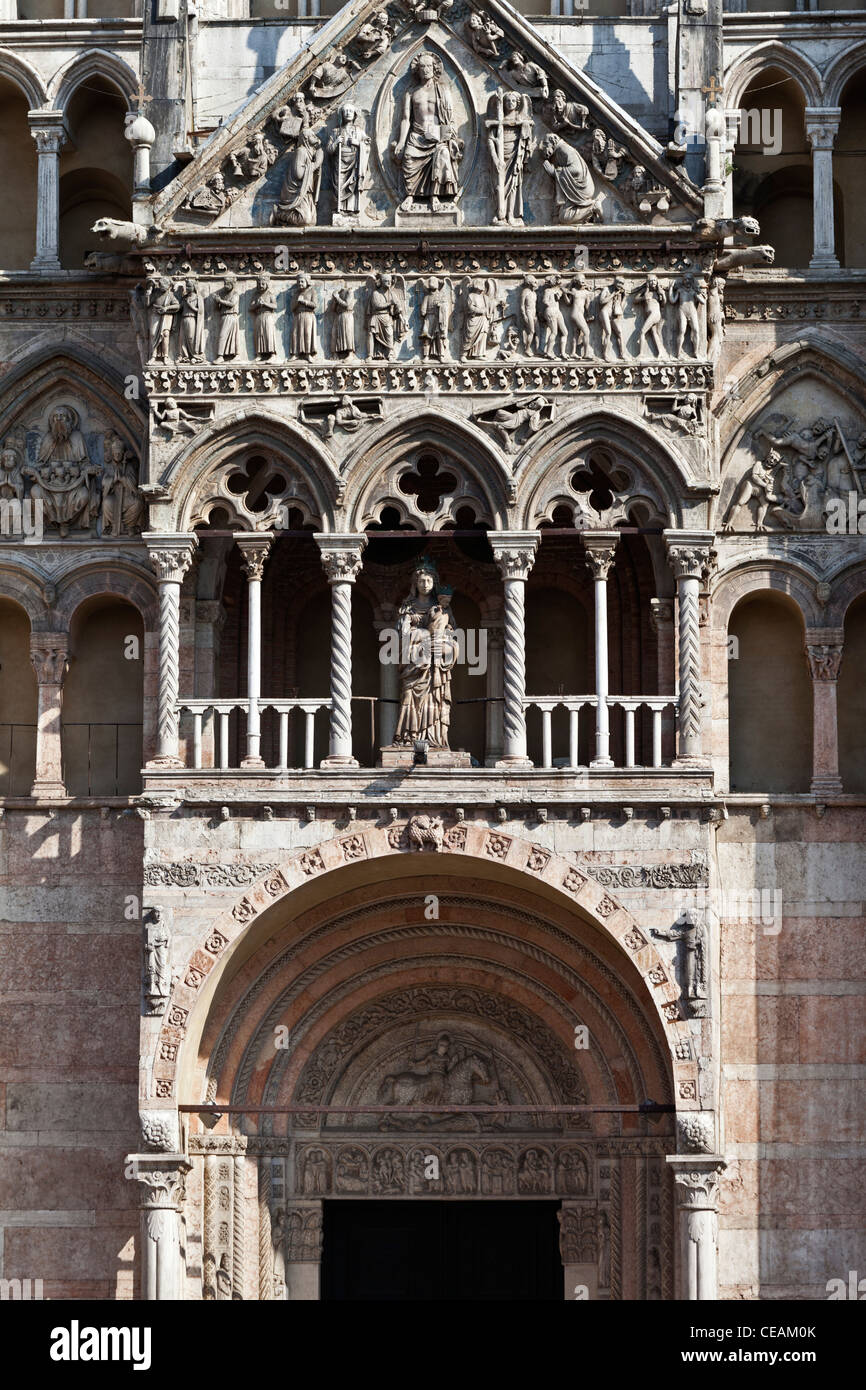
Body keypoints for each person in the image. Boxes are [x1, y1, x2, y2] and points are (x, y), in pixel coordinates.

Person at [393, 560, 458, 749]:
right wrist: (421, 635)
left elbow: (452, 637)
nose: (425, 584)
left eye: (429, 580)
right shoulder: (407, 608)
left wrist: (446, 648)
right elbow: (401, 637)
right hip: (414, 667)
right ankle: (407, 737)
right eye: (421, 581)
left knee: (435, 703)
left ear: (434, 582)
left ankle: (433, 738)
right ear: (415, 582)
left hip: (435, 668)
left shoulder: (442, 609)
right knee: (408, 698)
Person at [392, 52, 462, 212]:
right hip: (416, 134)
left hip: (436, 133)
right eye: (422, 66)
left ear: (435, 68)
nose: (426, 69)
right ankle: (410, 195)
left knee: (442, 155)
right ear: (417, 69)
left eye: (429, 66)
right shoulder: (411, 92)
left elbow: (449, 117)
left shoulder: (443, 90)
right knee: (408, 157)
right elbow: (405, 119)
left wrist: (447, 135)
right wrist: (402, 141)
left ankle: (434, 195)